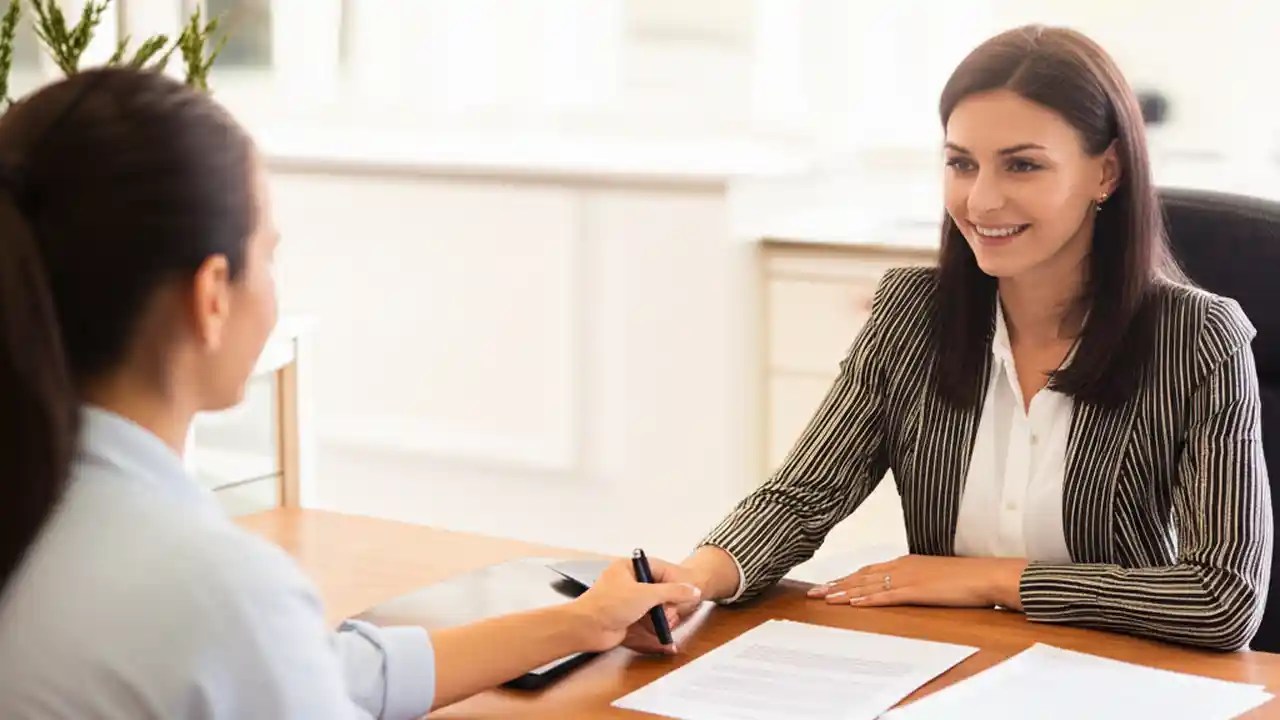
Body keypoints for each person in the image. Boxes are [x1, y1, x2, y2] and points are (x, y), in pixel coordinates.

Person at [0, 68, 699, 719]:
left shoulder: (50, 517)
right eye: (267, 255)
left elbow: (326, 673)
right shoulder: (215, 592)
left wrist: (579, 624)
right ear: (211, 295)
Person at [625, 25, 1272, 653]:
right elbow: (803, 495)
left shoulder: (1196, 339)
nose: (982, 200)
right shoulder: (912, 315)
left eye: (1022, 166)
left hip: (1116, 675)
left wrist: (992, 578)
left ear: (1106, 173)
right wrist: (692, 580)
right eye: (961, 164)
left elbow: (1221, 598)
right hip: (947, 664)